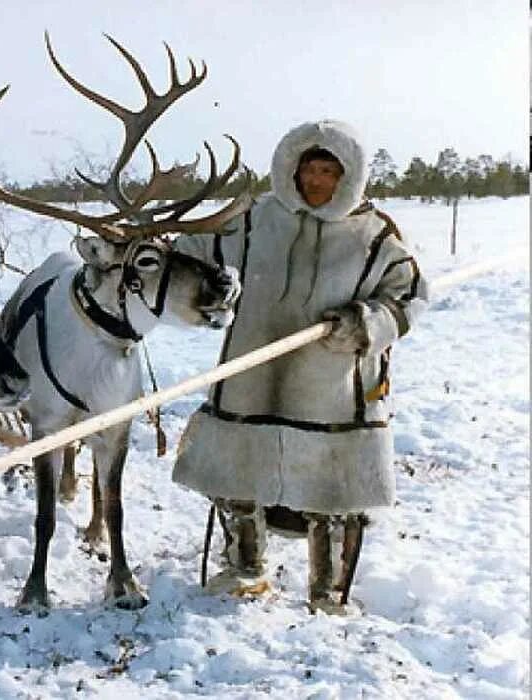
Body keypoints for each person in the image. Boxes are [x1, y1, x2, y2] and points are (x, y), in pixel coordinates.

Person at [172, 120, 429, 612]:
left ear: (347, 175)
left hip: (330, 381)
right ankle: (244, 568)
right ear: (291, 168)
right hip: (252, 371)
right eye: (309, 168)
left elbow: (407, 295)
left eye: (329, 170)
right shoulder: (252, 220)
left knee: (330, 490)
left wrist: (363, 323)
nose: (316, 180)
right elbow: (192, 252)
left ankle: (327, 591)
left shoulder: (373, 237)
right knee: (238, 475)